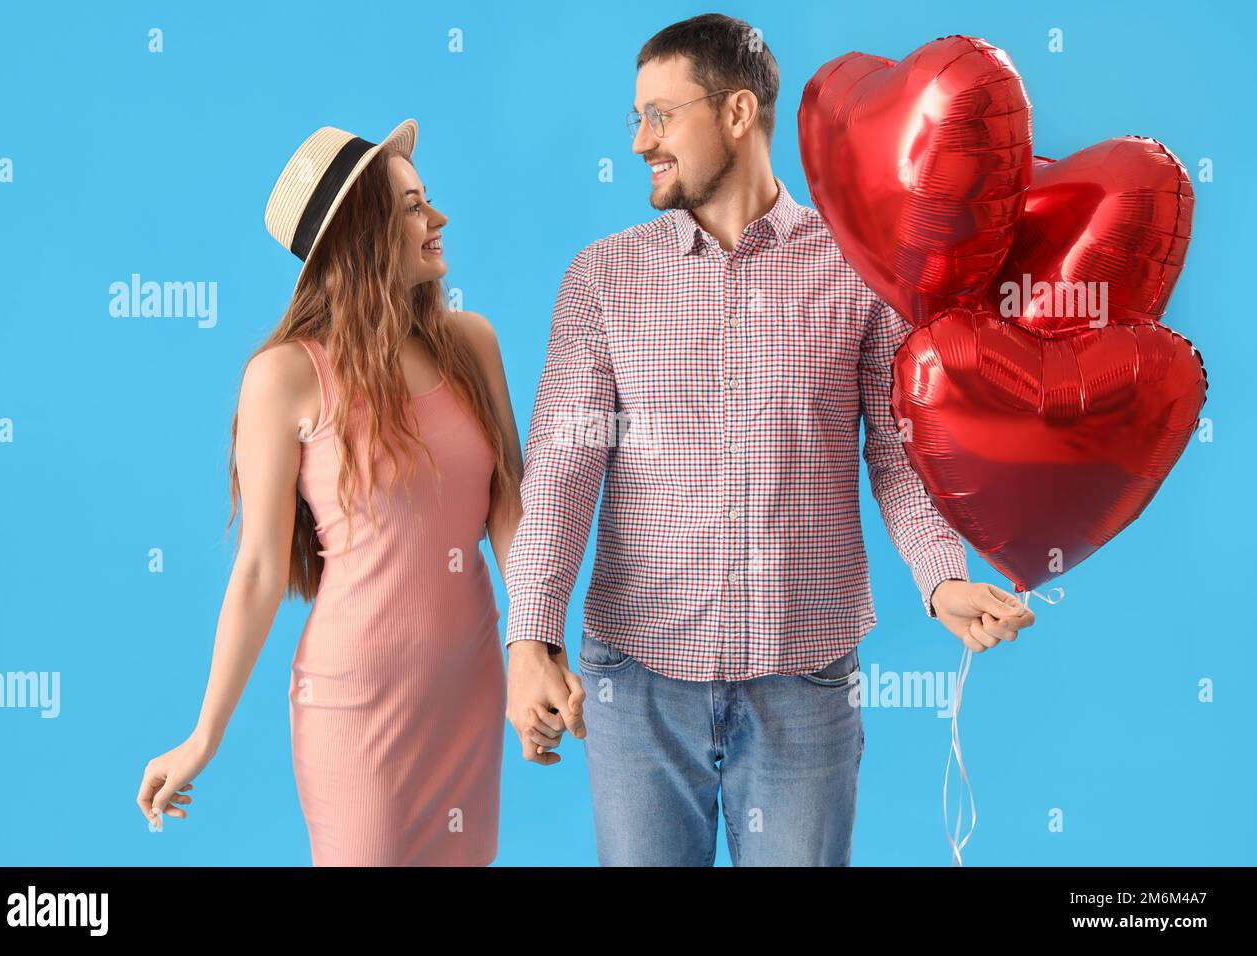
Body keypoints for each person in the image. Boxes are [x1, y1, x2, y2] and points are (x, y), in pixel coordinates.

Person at [502, 14, 1036, 866]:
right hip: (637, 679)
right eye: (635, 119)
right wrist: (530, 638)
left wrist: (942, 580)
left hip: (805, 682)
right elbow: (563, 470)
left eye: (660, 116)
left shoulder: (860, 270)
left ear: (739, 113)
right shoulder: (601, 277)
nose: (641, 141)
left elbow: (897, 459)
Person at [136, 120, 523, 866]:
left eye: (428, 200)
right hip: (353, 706)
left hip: (468, 686)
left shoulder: (472, 343)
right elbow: (257, 570)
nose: (436, 218)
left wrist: (536, 645)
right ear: (362, 234)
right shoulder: (283, 378)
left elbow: (509, 505)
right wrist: (203, 736)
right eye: (412, 207)